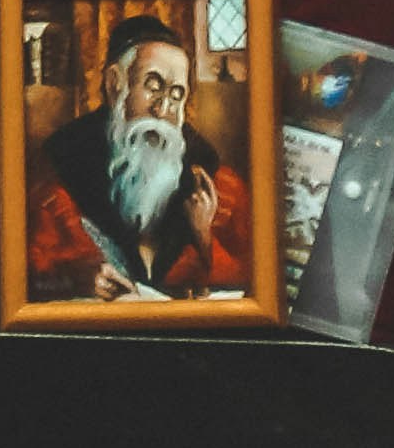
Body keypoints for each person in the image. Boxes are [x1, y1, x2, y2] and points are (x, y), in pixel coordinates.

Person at [19, 15, 254, 303]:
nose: (163, 107)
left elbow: (252, 281)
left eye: (176, 93)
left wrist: (203, 236)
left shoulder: (216, 185)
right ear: (115, 83)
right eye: (153, 85)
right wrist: (79, 278)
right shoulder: (60, 167)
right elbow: (25, 277)